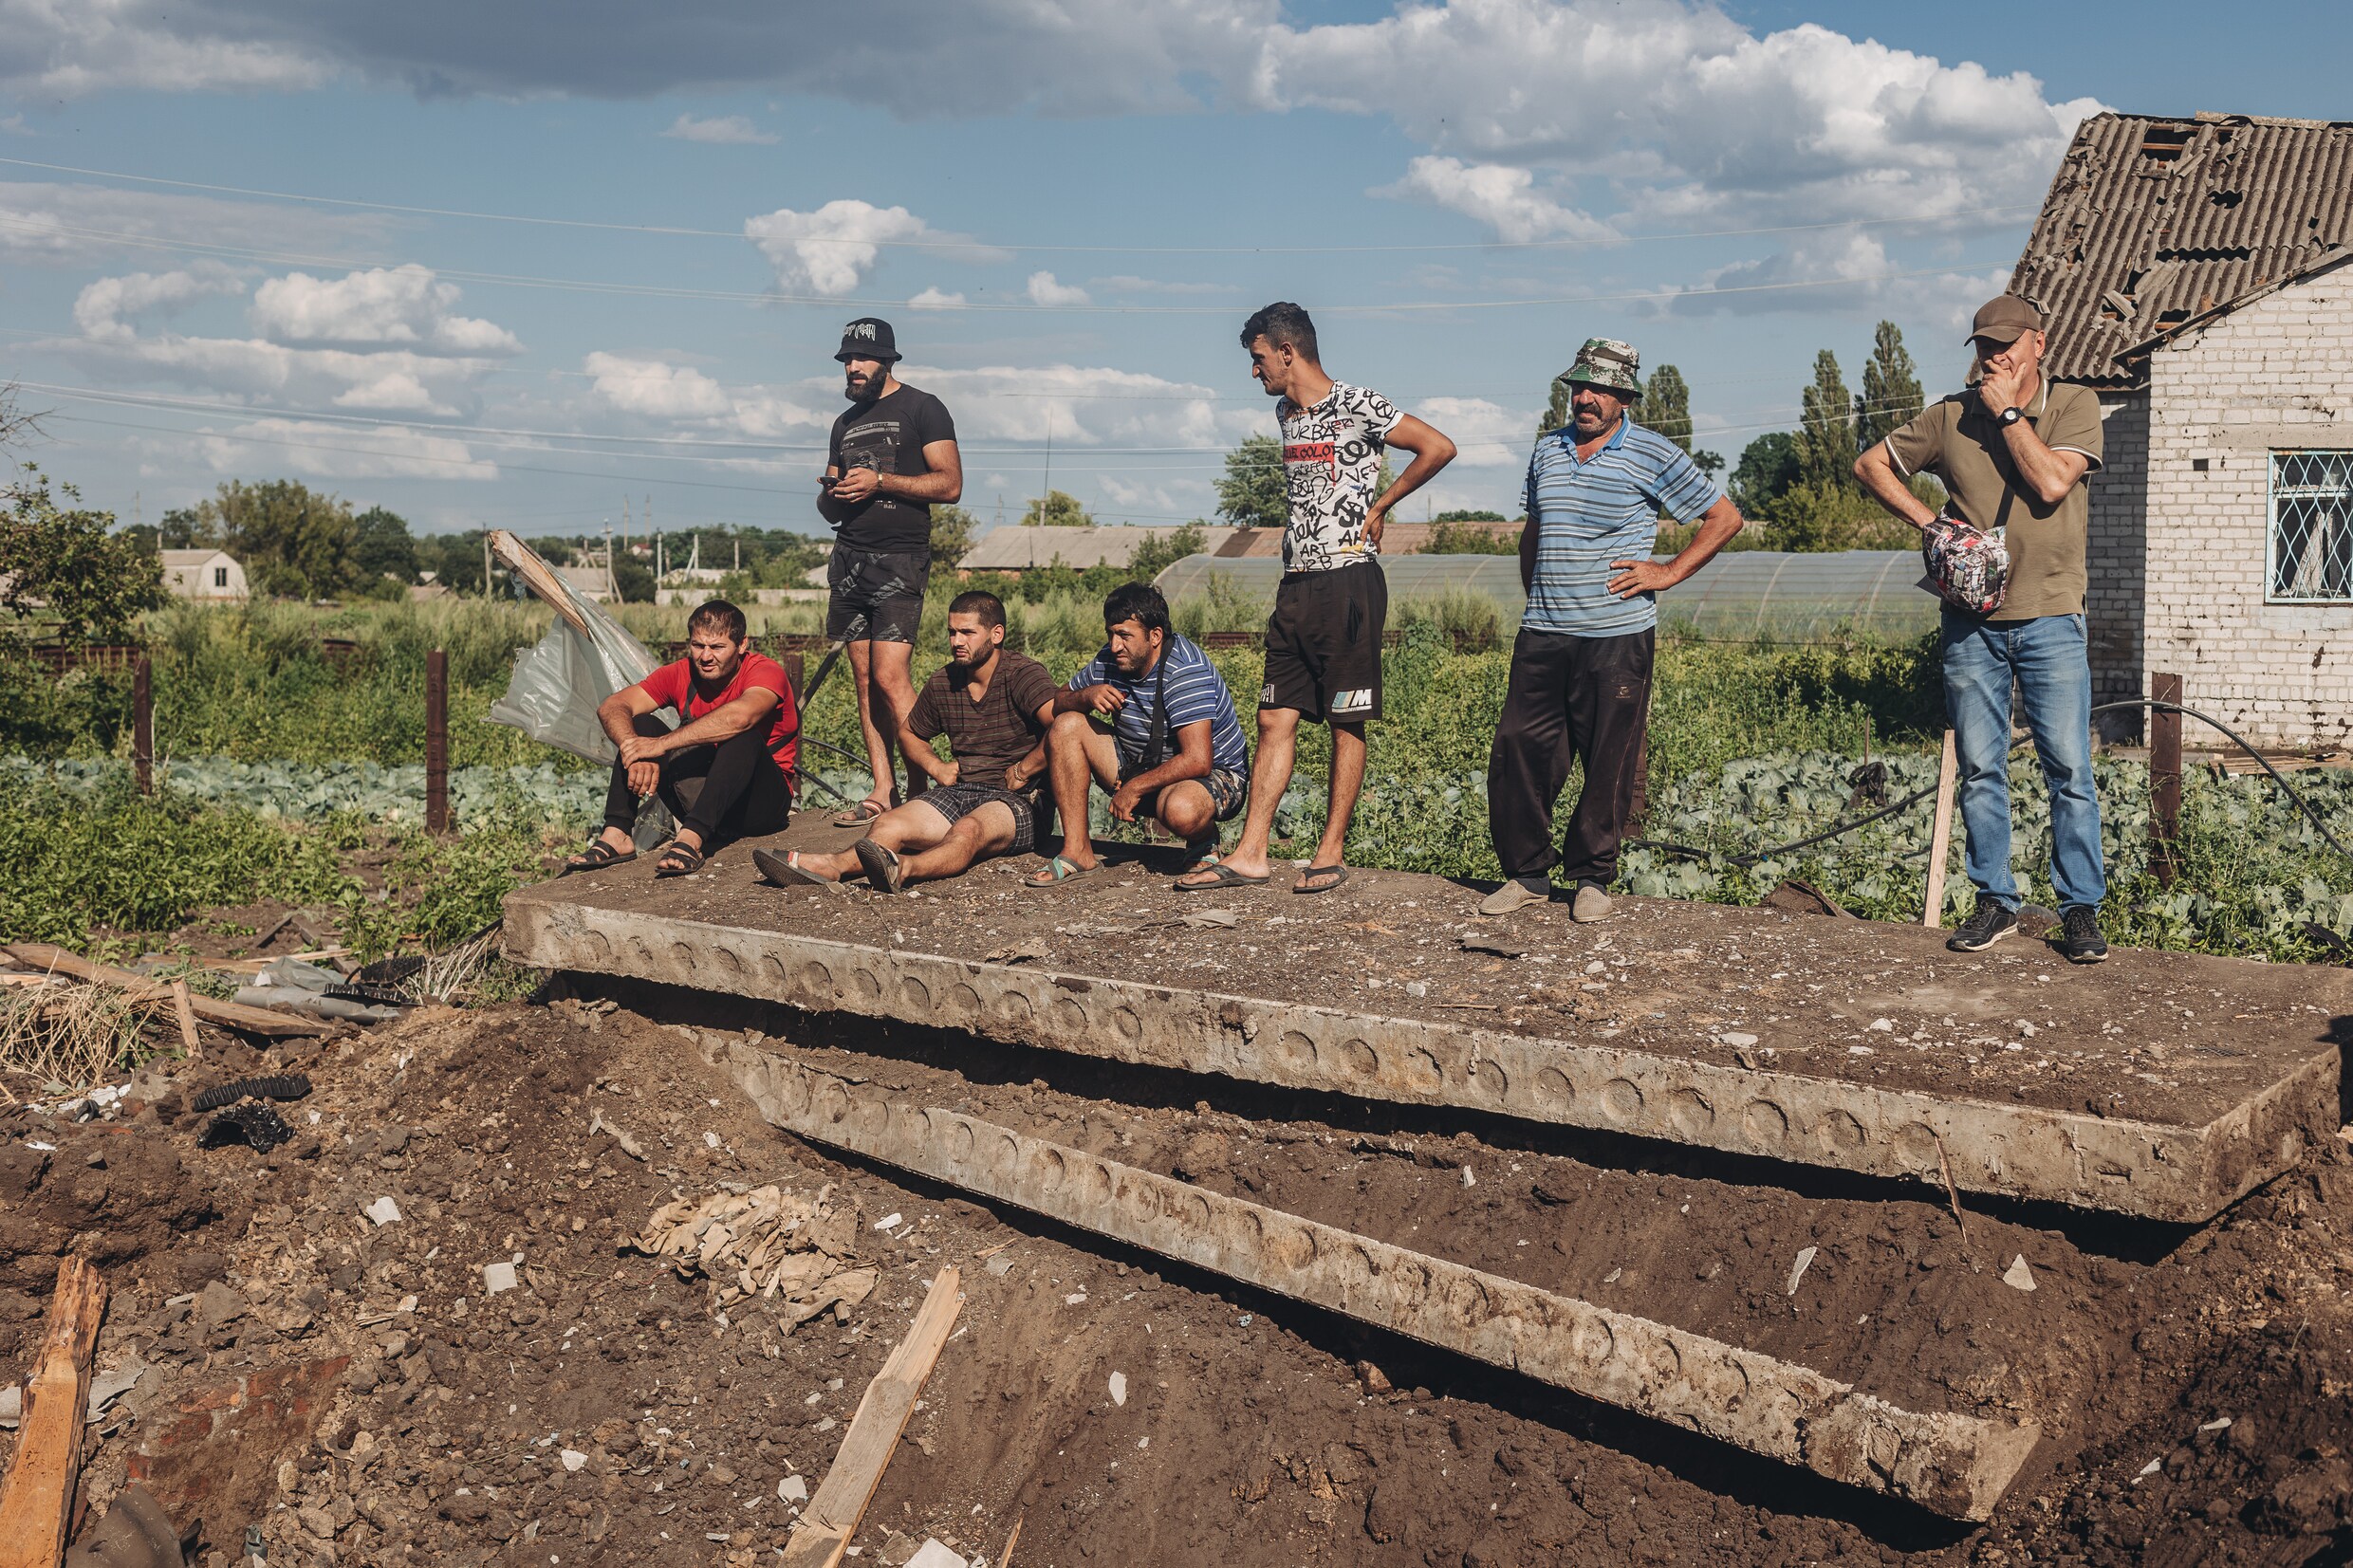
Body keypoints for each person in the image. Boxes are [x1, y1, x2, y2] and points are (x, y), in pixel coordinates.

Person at [1855, 295, 2109, 962]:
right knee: (1979, 767)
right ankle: (1995, 900)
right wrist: (1931, 524)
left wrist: (2007, 413)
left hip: (2053, 614)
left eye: (2007, 344)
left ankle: (2079, 908)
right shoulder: (1948, 416)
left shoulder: (2074, 405)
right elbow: (1869, 464)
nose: (1993, 357)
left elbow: (2053, 482)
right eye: (1983, 346)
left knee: (2069, 766)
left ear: (2039, 344)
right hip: (1973, 621)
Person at [1176, 302, 1455, 895]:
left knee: (1345, 718)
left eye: (1257, 359)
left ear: (1286, 351)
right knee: (1275, 715)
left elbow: (1438, 446)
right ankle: (1251, 852)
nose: (1254, 372)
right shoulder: (1285, 413)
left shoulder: (1358, 403)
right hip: (1295, 583)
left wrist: (1382, 506)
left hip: (1349, 580)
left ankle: (1330, 852)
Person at [1481, 338, 1745, 921]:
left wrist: (1669, 571)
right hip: (1544, 631)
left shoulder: (1651, 453)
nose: (1586, 397)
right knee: (1520, 750)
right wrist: (1540, 591)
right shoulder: (1547, 452)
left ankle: (1592, 878)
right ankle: (1526, 875)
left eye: (1600, 388)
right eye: (1579, 386)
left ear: (1624, 397)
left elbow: (1724, 517)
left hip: (1617, 636)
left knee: (1608, 759)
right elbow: (1534, 531)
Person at [754, 591, 1056, 895]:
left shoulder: (1022, 675)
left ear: (997, 633)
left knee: (968, 830)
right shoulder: (943, 681)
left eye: (967, 632)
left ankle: (903, 867)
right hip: (961, 791)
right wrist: (934, 766)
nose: (957, 641)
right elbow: (910, 733)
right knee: (889, 825)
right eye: (952, 632)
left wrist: (1023, 770)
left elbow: (1062, 727)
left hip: (1019, 800)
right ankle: (833, 865)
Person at [817, 316, 962, 829]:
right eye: (847, 361)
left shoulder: (923, 407)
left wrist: (880, 481)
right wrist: (831, 493)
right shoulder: (843, 423)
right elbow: (829, 509)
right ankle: (884, 789)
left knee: (889, 675)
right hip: (848, 560)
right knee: (863, 682)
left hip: (900, 559)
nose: (853, 369)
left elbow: (949, 485)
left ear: (888, 361)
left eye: (862, 360)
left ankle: (923, 790)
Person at [1026, 582, 1251, 888]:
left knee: (1181, 810)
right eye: (1111, 633)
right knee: (1067, 725)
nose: (1115, 645)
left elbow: (1199, 760)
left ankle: (1203, 839)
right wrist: (1086, 696)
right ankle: (1077, 851)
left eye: (1124, 635)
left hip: (1214, 776)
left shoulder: (1185, 670)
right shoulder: (1110, 659)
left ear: (1155, 636)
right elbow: (1058, 702)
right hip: (1140, 764)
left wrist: (1133, 789)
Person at [564, 600, 797, 878]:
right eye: (698, 646)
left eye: (717, 647)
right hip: (701, 797)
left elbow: (740, 718)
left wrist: (659, 745)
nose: (706, 656)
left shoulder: (765, 671)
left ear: (742, 644)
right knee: (641, 724)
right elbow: (613, 706)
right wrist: (636, 750)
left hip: (760, 806)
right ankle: (618, 834)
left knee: (741, 735)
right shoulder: (682, 673)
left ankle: (691, 839)